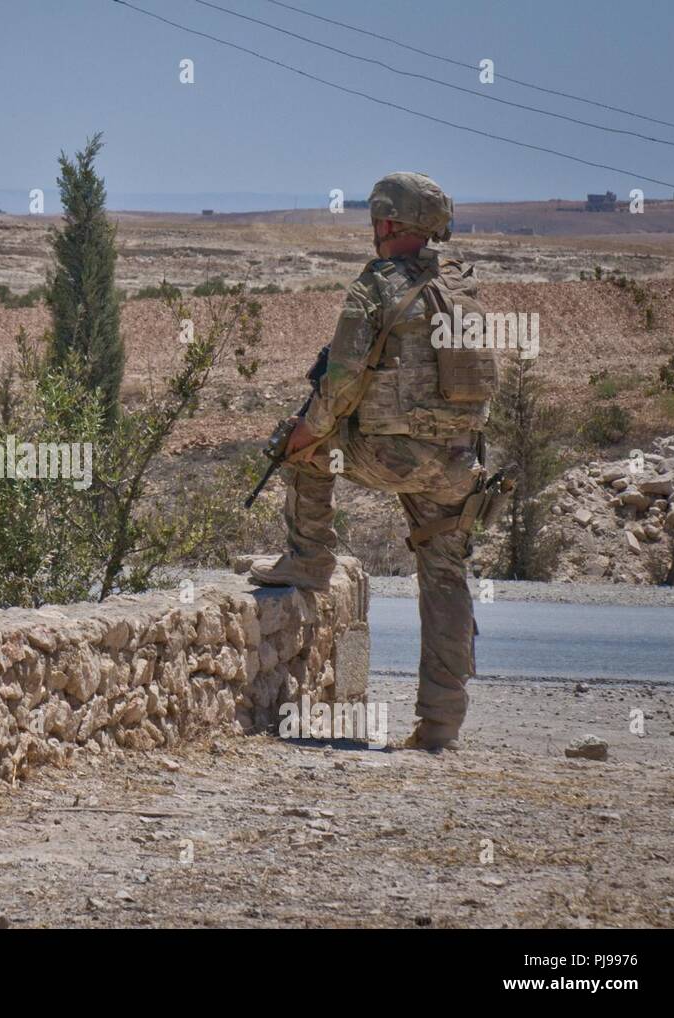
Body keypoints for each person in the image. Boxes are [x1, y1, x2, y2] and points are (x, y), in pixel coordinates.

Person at [250, 172, 499, 752]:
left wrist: (301, 437)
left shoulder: (376, 287)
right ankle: (440, 727)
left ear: (386, 223)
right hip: (459, 463)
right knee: (445, 578)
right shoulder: (459, 285)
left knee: (307, 451)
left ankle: (310, 559)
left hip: (389, 455)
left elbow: (341, 385)